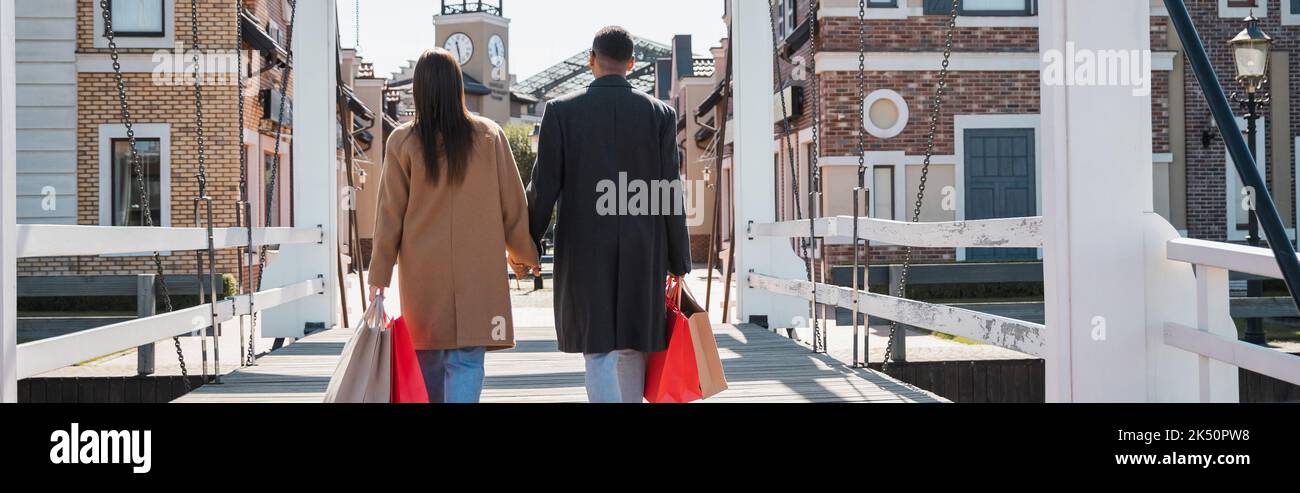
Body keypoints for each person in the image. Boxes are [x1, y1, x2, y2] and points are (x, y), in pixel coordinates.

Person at [527, 26, 692, 403]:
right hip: (642, 247)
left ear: (591, 59)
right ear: (632, 63)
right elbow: (670, 191)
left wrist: (528, 243)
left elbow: (544, 187)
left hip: (585, 248)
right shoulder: (660, 114)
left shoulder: (560, 111)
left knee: (598, 348)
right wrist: (678, 261)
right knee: (634, 345)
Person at [368, 48, 539, 404]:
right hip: (478, 277)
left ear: (419, 89)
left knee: (427, 362)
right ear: (457, 86)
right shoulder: (489, 135)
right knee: (466, 361)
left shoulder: (402, 141)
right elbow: (513, 204)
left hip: (423, 279)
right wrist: (523, 255)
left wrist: (379, 278)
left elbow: (389, 216)